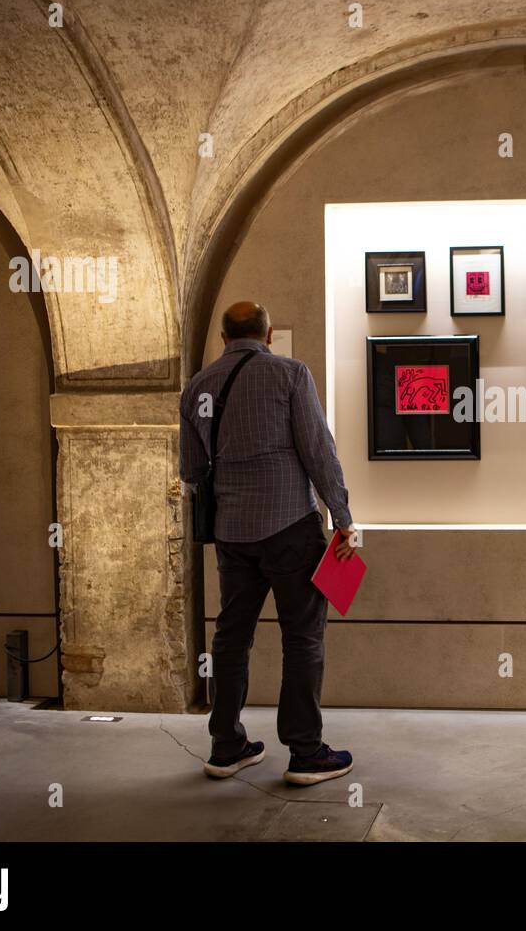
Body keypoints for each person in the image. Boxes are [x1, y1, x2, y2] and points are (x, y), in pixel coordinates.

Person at [179, 301, 358, 786]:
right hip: (289, 530)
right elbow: (318, 449)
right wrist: (343, 518)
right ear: (269, 334)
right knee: (301, 638)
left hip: (231, 537)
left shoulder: (197, 387)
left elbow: (191, 473)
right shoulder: (291, 375)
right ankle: (305, 752)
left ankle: (226, 747)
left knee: (231, 637)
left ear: (222, 337)